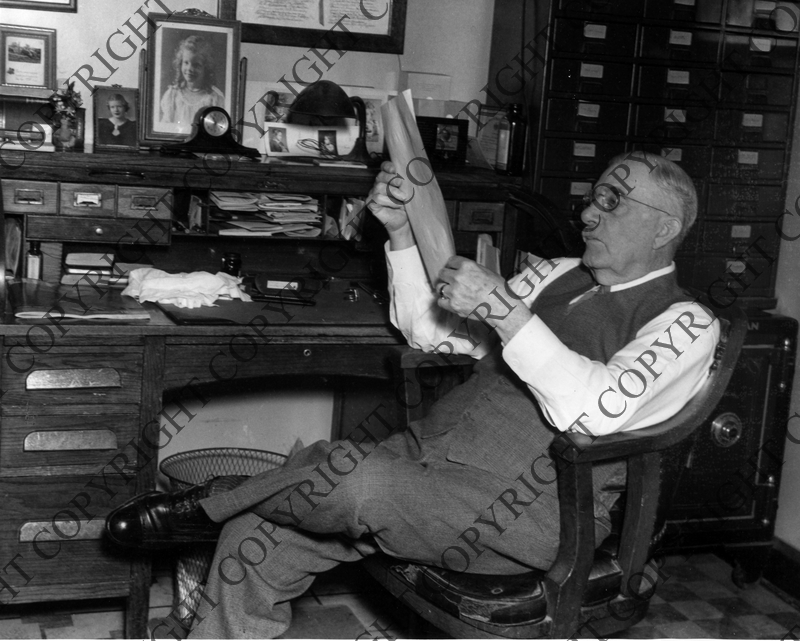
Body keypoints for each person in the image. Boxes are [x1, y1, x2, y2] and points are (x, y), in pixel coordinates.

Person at [106, 151, 719, 639]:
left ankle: (201, 506)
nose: (589, 214)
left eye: (613, 202)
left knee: (350, 477)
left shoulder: (686, 323)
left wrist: (504, 308)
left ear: (665, 227)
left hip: (522, 515)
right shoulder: (558, 273)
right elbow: (432, 331)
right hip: (424, 468)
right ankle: (221, 558)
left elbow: (596, 407)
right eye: (594, 198)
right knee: (256, 537)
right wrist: (400, 232)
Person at [160, 35, 224, 130]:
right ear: (180, 63)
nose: (189, 69)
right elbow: (165, 128)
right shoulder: (173, 95)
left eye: (196, 65)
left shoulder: (214, 98)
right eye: (186, 63)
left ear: (205, 68)